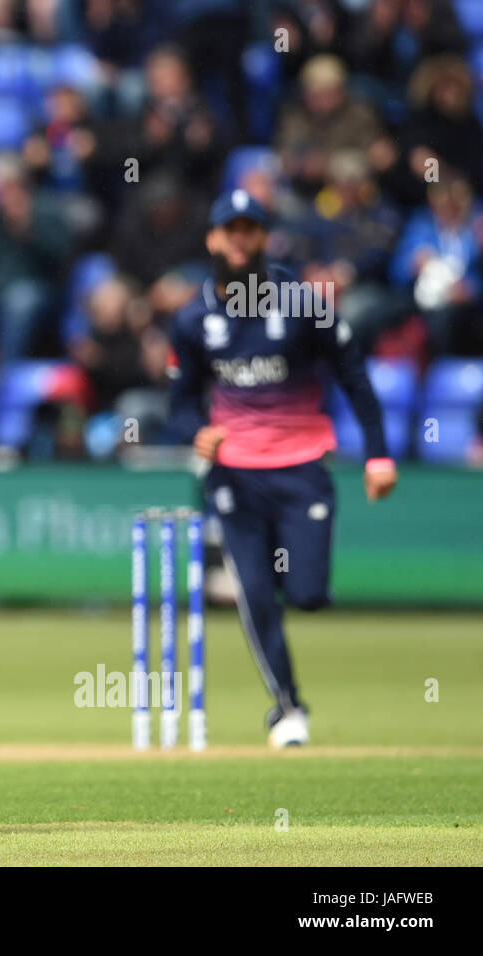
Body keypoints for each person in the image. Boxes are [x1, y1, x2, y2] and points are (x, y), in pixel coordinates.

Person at [166, 189, 398, 748]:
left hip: (301, 468)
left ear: (264, 238)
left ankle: (292, 660)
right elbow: (180, 404)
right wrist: (196, 432)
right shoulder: (193, 318)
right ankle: (288, 708)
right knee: (255, 592)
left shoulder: (304, 303)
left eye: (251, 229)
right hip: (235, 474)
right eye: (231, 230)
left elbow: (354, 376)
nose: (241, 240)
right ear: (213, 239)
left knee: (309, 593)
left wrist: (377, 453)